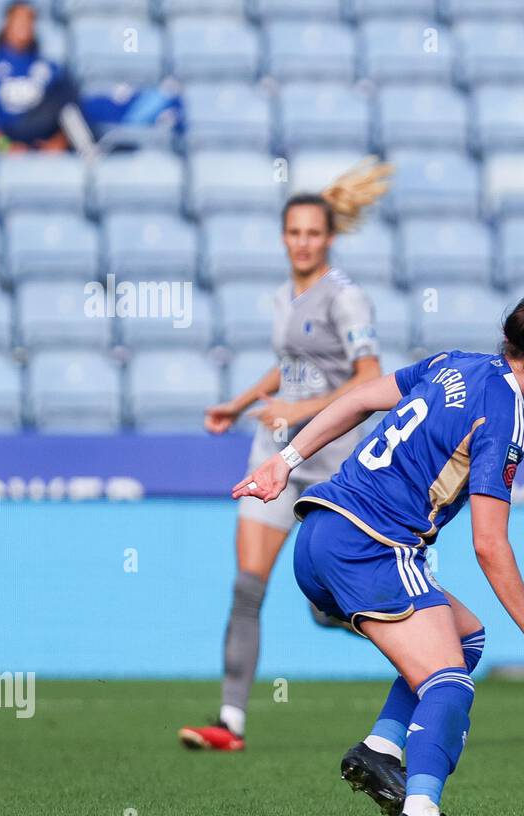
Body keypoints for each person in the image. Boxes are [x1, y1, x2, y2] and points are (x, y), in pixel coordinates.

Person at [234, 289, 524, 816]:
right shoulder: (505, 413)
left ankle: (381, 750)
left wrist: (285, 461)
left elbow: (361, 398)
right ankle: (421, 815)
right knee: (449, 681)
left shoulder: (453, 363)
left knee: (468, 637)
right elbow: (490, 544)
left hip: (319, 530)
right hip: (371, 545)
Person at [178, 160, 391, 752]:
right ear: (283, 236)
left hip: (331, 457)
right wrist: (241, 401)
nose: (303, 242)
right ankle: (230, 722)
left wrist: (296, 414)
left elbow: (370, 379)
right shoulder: (283, 295)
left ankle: (379, 631)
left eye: (313, 233)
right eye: (294, 232)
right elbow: (291, 365)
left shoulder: (347, 299)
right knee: (248, 587)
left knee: (332, 596)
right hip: (273, 450)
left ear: (329, 238)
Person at [0, 2, 78, 154]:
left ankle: (88, 150)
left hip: (42, 137)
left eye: (29, 20)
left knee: (71, 91)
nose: (24, 25)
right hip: (10, 133)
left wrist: (57, 144)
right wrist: (6, 148)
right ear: (7, 24)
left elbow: (69, 106)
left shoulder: (48, 68)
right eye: (19, 20)